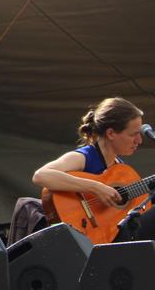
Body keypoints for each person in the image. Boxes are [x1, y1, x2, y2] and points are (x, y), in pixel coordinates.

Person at [32, 97, 155, 241]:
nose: (139, 140)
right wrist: (96, 187)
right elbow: (40, 176)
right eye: (133, 134)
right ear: (111, 134)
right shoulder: (84, 157)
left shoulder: (120, 168)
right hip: (87, 236)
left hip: (110, 235)